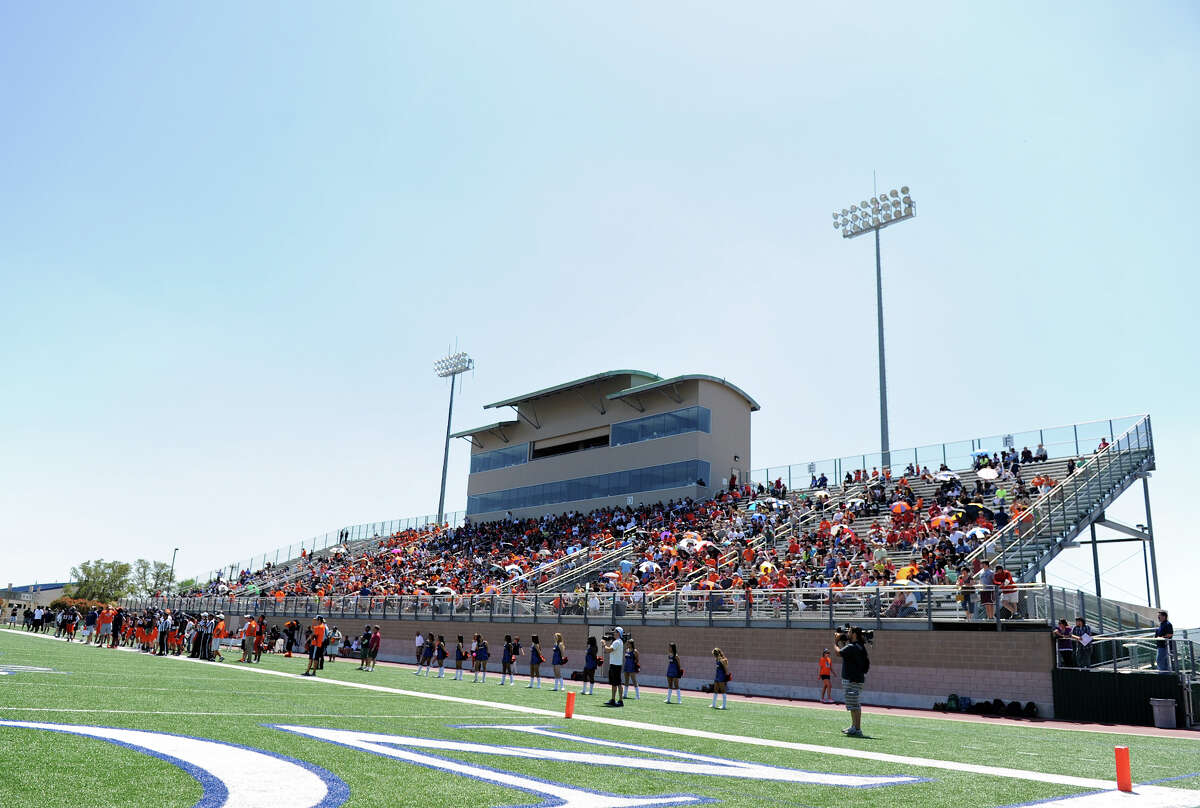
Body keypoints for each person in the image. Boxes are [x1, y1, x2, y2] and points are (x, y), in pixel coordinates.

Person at [834, 626, 869, 737]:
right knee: (853, 704)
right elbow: (847, 654)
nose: (847, 633)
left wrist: (836, 642)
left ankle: (857, 729)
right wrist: (843, 642)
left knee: (854, 705)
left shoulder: (852, 647)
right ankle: (854, 727)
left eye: (849, 632)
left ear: (854, 634)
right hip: (856, 679)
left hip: (852, 680)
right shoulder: (859, 646)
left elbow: (838, 653)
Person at [602, 628, 625, 707]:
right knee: (614, 683)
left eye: (615, 632)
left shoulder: (617, 642)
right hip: (614, 664)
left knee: (618, 683)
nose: (613, 633)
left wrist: (604, 644)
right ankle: (613, 699)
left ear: (618, 633)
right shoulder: (617, 641)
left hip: (616, 665)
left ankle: (620, 701)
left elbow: (608, 650)